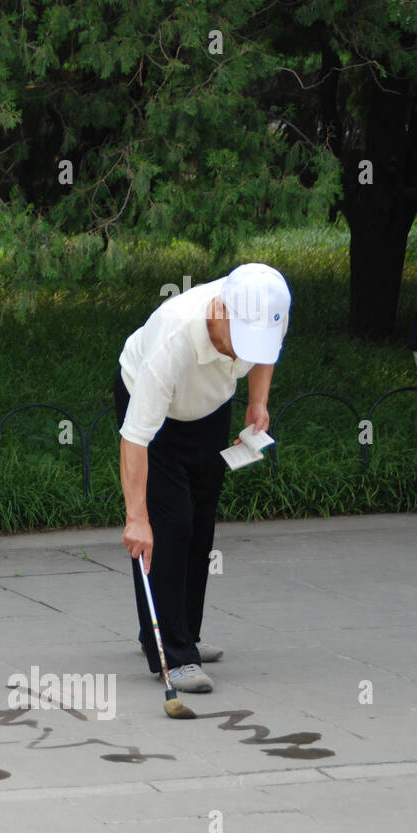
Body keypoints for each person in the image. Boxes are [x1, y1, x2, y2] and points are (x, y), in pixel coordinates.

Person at [116, 263, 291, 692]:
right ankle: (172, 656)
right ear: (219, 313)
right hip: (157, 414)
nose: (242, 354)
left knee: (201, 517)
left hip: (211, 406)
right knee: (170, 523)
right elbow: (135, 438)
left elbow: (266, 353)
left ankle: (185, 634)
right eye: (240, 342)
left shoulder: (264, 304)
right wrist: (136, 518)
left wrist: (258, 402)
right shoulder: (174, 339)